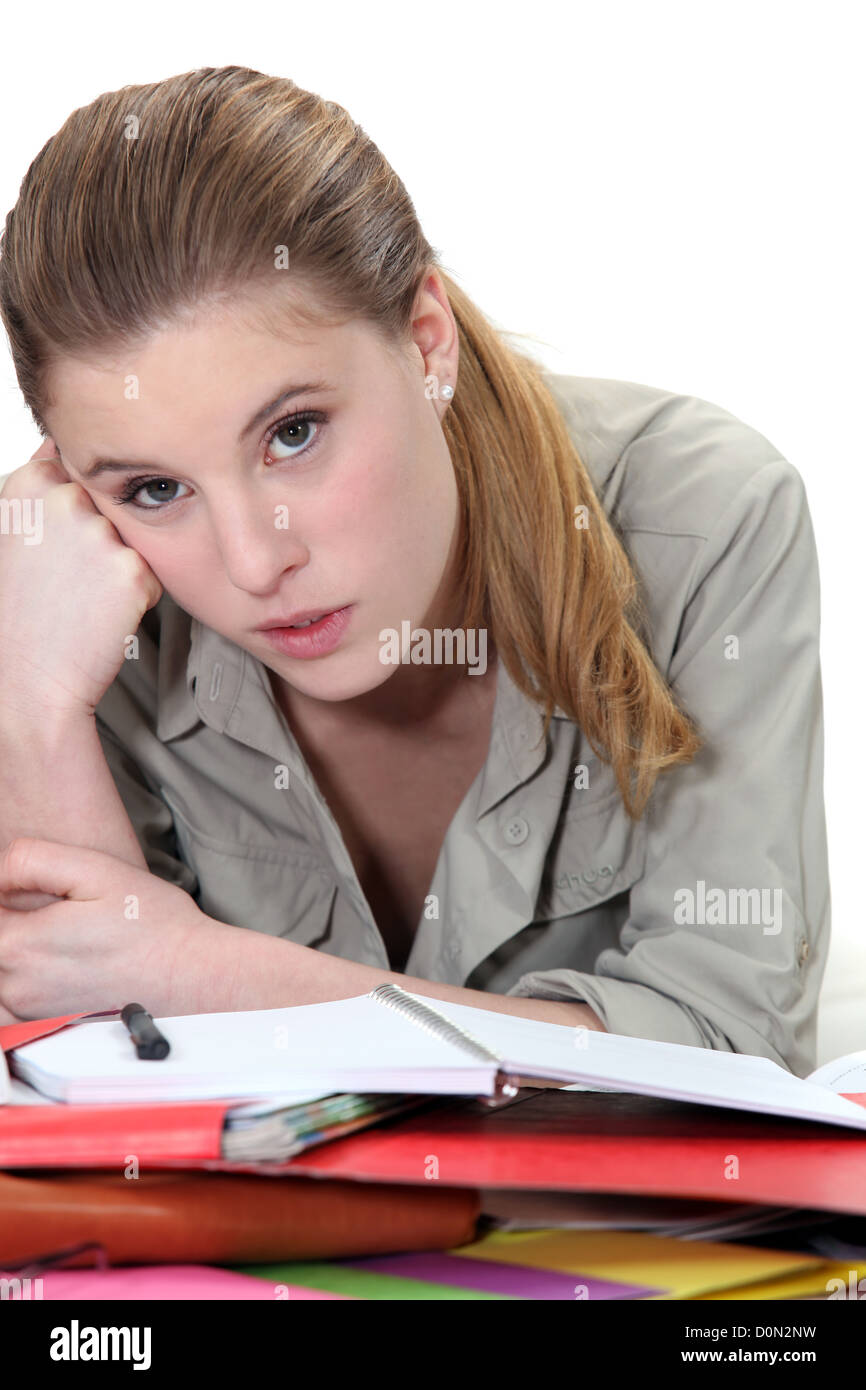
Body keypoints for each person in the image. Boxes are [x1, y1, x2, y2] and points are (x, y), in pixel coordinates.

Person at [0, 66, 828, 1077]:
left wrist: (206, 973)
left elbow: (732, 1059)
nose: (256, 563)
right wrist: (32, 702)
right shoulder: (79, 603)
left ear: (424, 340)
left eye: (293, 433)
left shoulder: (702, 519)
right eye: (154, 488)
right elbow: (89, 1104)